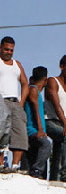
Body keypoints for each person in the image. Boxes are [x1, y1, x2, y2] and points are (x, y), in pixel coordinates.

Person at [43, 54, 66, 182]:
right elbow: (56, 105)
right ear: (61, 66)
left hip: (63, 122)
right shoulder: (53, 81)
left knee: (58, 151)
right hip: (51, 122)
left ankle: (55, 179)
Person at [0, 36, 30, 173]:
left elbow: (25, 84)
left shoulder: (17, 64)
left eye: (11, 50)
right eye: (6, 49)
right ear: (1, 48)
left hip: (15, 102)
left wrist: (22, 101)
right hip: (1, 100)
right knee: (2, 133)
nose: (9, 52)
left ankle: (15, 166)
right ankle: (1, 165)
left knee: (20, 132)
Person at [24, 66, 52, 179]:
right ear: (45, 79)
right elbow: (36, 111)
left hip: (37, 130)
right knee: (46, 145)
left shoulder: (35, 91)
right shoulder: (33, 90)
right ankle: (36, 169)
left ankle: (37, 172)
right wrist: (40, 130)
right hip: (33, 130)